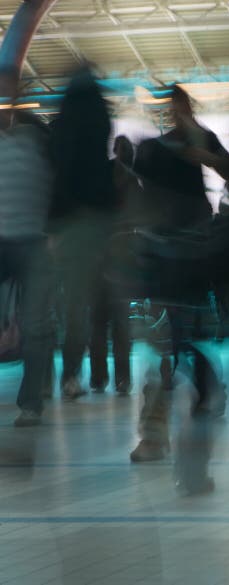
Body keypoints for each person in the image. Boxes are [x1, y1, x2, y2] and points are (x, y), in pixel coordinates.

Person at [129, 85, 229, 479]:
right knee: (163, 344)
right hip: (160, 253)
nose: (176, 111)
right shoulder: (155, 149)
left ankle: (204, 392)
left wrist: (204, 152)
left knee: (182, 340)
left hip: (191, 254)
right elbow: (138, 191)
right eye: (172, 105)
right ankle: (154, 433)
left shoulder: (202, 138)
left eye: (181, 105)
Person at [49, 68, 117, 400]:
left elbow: (56, 178)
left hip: (72, 227)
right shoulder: (100, 123)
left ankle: (71, 374)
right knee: (103, 303)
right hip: (100, 226)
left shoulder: (62, 132)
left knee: (75, 304)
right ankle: (103, 375)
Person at [0, 65, 56, 427]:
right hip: (5, 239)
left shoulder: (37, 136)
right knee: (34, 322)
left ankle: (32, 401)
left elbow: (56, 184)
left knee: (37, 323)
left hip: (35, 241)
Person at [88, 136, 135, 395]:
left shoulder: (101, 177)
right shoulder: (131, 181)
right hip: (120, 261)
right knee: (119, 323)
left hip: (101, 257)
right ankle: (121, 379)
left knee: (99, 321)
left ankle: (99, 377)